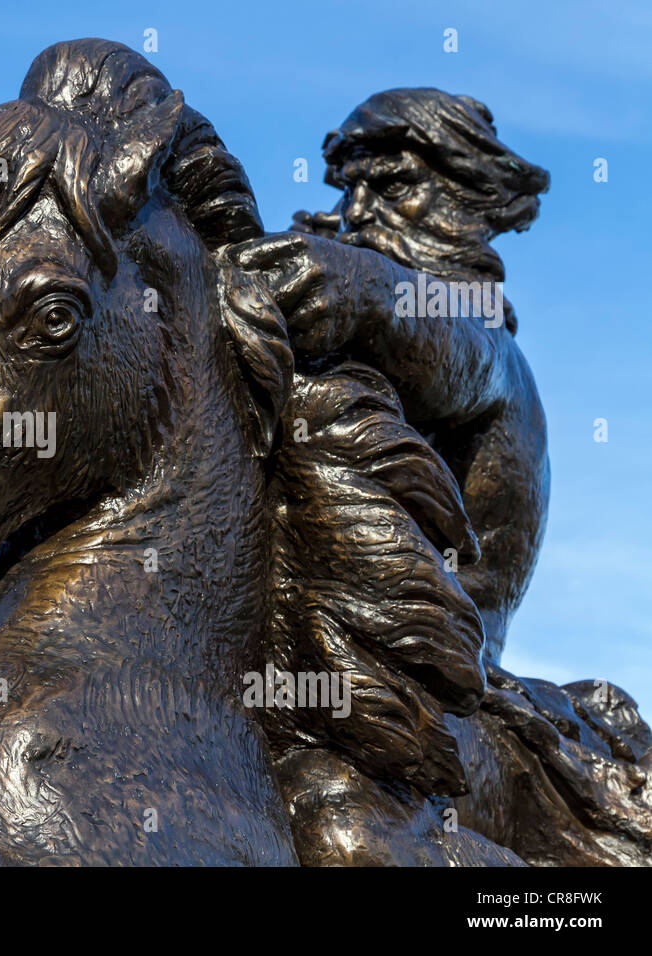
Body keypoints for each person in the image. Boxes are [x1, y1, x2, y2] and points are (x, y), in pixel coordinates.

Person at [234, 88, 551, 661]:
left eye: (392, 187)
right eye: (350, 189)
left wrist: (361, 285)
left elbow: (444, 350)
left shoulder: (491, 352)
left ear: (465, 205)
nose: (355, 212)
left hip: (431, 680)